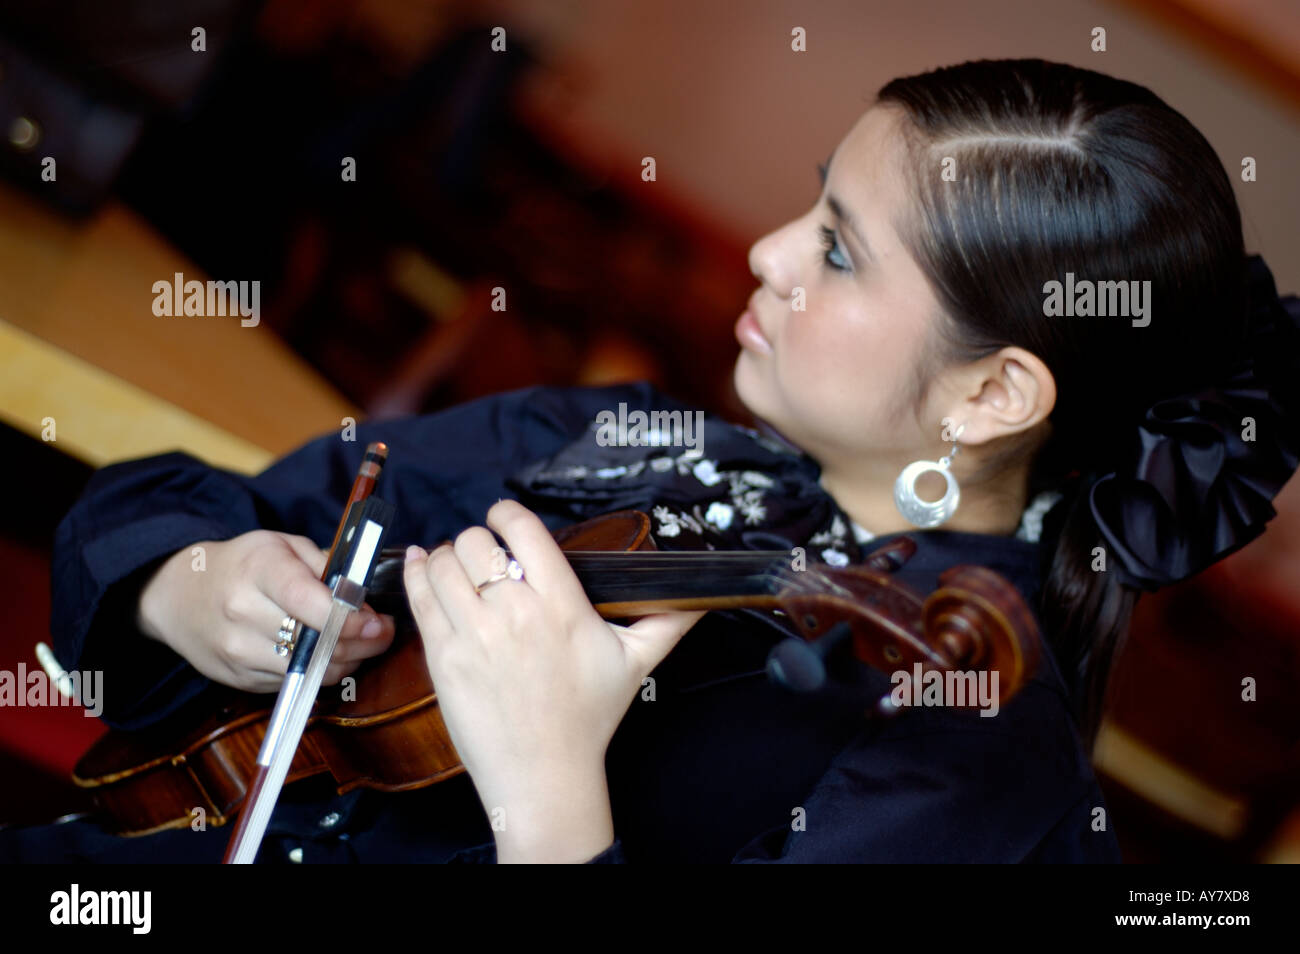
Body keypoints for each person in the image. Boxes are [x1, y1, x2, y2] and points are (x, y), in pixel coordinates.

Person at [5, 58, 1298, 863]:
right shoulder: (632, 441)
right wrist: (198, 583)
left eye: (838, 249)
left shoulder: (970, 765)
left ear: (992, 390)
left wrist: (556, 805)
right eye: (812, 201)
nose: (768, 254)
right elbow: (174, 514)